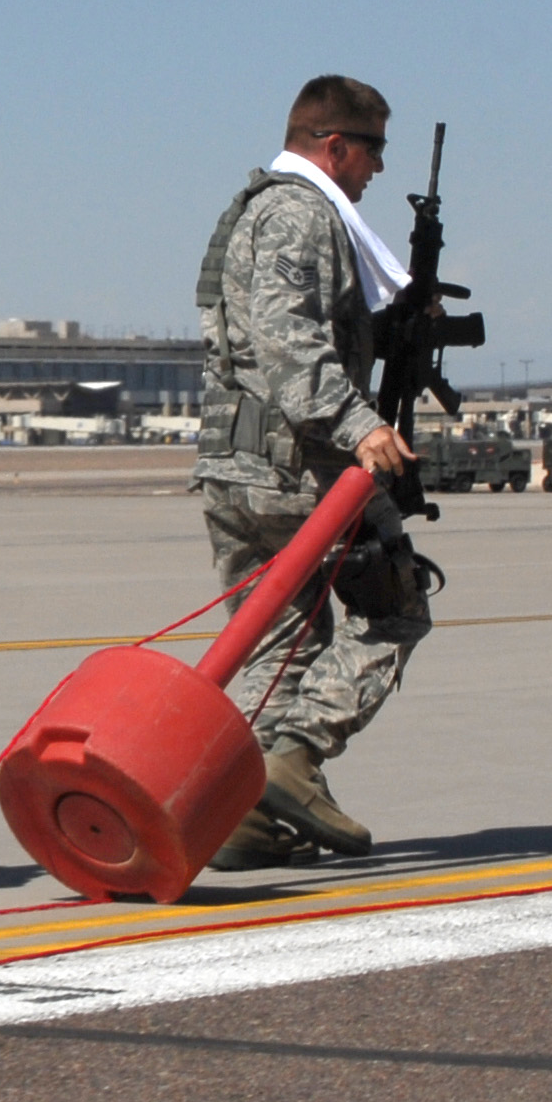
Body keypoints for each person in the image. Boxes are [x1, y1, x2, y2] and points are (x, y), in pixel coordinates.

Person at [193, 74, 438, 870]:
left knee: (276, 644)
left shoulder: (262, 209)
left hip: (240, 463)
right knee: (395, 609)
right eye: (371, 151)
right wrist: (362, 425)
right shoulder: (299, 213)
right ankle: (296, 758)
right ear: (334, 145)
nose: (375, 170)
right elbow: (287, 339)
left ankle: (244, 819)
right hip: (299, 468)